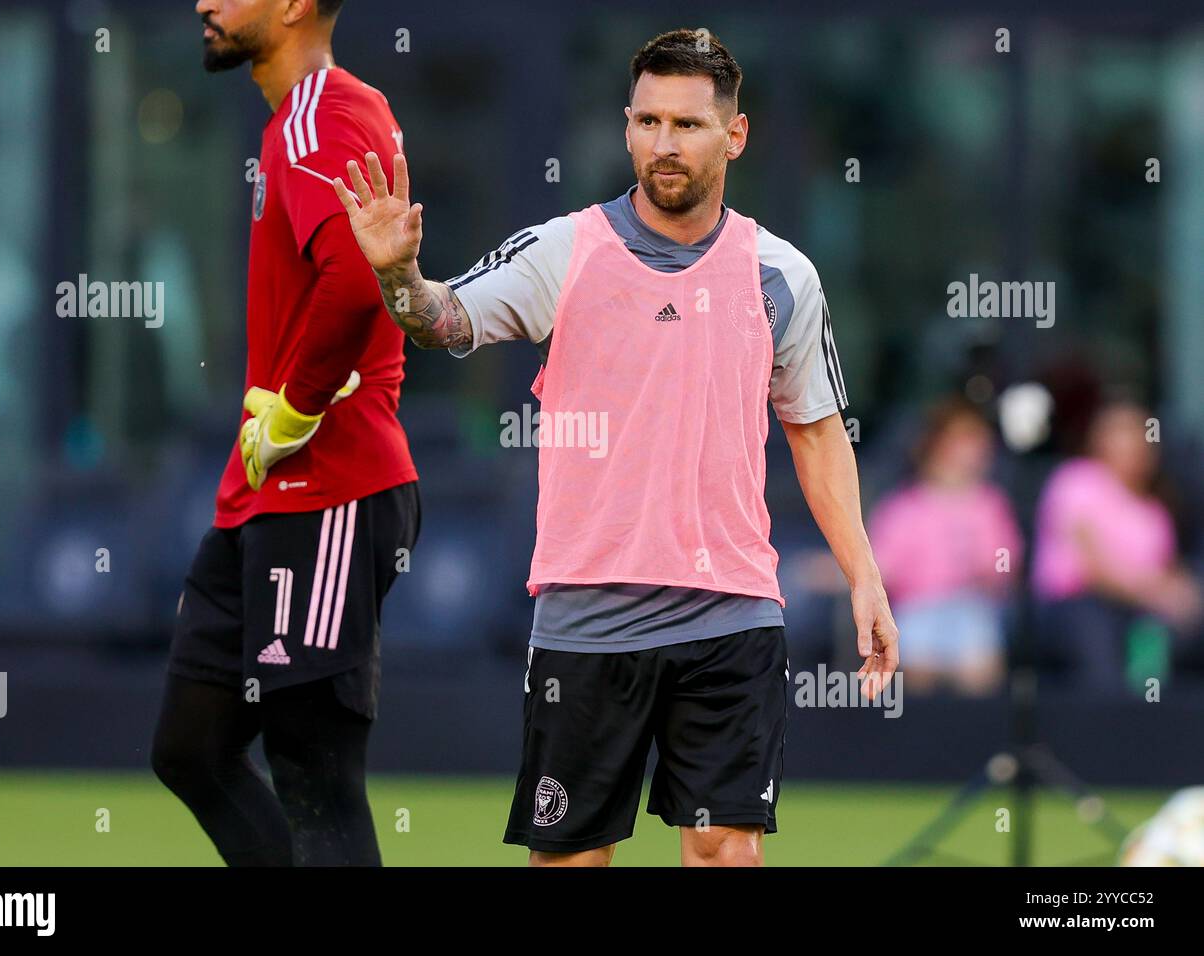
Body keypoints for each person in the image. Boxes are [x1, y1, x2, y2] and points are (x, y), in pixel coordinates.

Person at [334, 28, 898, 866]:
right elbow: (441, 320)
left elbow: (816, 432)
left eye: (688, 125)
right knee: (571, 859)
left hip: (730, 608)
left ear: (733, 136)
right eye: (648, 121)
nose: (664, 145)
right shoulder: (565, 250)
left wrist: (864, 575)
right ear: (627, 125)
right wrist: (396, 277)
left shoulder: (782, 275)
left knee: (724, 850)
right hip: (588, 615)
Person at [150, 0, 420, 866]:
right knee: (190, 749)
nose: (204, 4)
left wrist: (298, 408)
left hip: (329, 483)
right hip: (266, 490)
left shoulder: (319, 114)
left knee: (316, 775)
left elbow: (353, 277)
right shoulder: (297, 122)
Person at [1032, 398, 1201, 691]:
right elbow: (1095, 568)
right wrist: (1155, 594)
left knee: (1156, 637)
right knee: (1097, 639)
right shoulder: (1076, 481)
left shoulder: (1154, 507)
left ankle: (1147, 712)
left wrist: (1184, 593)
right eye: (1123, 434)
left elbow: (1165, 570)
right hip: (1074, 604)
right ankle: (1104, 724)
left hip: (1135, 608)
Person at [869, 397, 1022, 695]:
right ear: (937, 444)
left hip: (973, 607)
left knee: (978, 665)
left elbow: (1006, 566)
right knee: (916, 661)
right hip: (916, 609)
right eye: (965, 438)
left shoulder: (990, 505)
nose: (976, 448)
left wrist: (988, 569)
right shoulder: (904, 506)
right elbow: (880, 568)